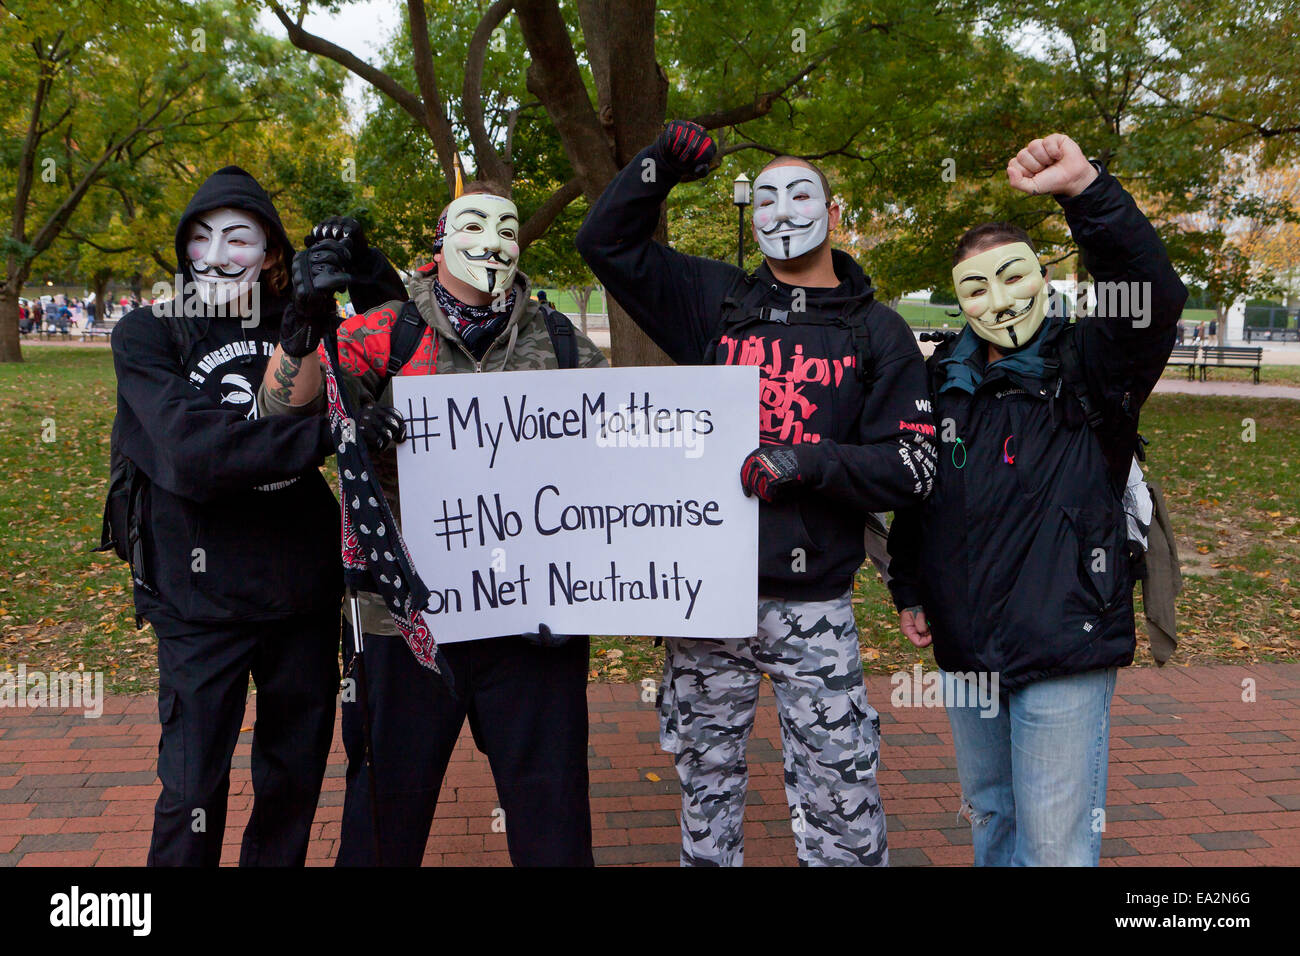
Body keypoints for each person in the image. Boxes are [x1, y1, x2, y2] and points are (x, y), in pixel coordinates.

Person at [576, 121, 936, 867]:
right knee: (705, 795)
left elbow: (913, 467)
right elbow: (604, 245)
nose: (780, 212)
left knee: (840, 797)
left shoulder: (880, 332)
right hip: (709, 600)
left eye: (800, 194)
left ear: (834, 215)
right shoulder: (717, 300)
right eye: (764, 199)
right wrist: (660, 164)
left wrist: (810, 462)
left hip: (816, 608)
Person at [260, 184, 608, 867]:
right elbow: (279, 416)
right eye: (474, 224)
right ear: (439, 242)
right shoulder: (385, 330)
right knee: (385, 814)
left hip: (533, 622)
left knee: (553, 819)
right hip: (405, 625)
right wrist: (302, 324)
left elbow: (616, 462)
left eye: (509, 229)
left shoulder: (563, 341)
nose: (494, 241)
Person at [885, 133, 1186, 866]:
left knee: (1054, 845)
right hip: (968, 643)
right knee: (993, 818)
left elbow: (1154, 294)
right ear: (957, 298)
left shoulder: (1092, 363)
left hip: (1064, 639)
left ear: (1042, 279)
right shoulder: (940, 381)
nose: (998, 299)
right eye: (975, 287)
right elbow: (922, 492)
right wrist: (911, 586)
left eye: (1011, 277)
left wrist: (1085, 190)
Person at [108, 165, 403, 866]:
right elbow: (196, 454)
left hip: (297, 591)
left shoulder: (300, 318)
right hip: (195, 597)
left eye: (238, 238)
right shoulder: (148, 334)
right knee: (190, 788)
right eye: (200, 237)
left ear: (271, 252)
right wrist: (329, 436)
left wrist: (364, 265)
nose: (215, 255)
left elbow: (397, 338)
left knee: (292, 775)